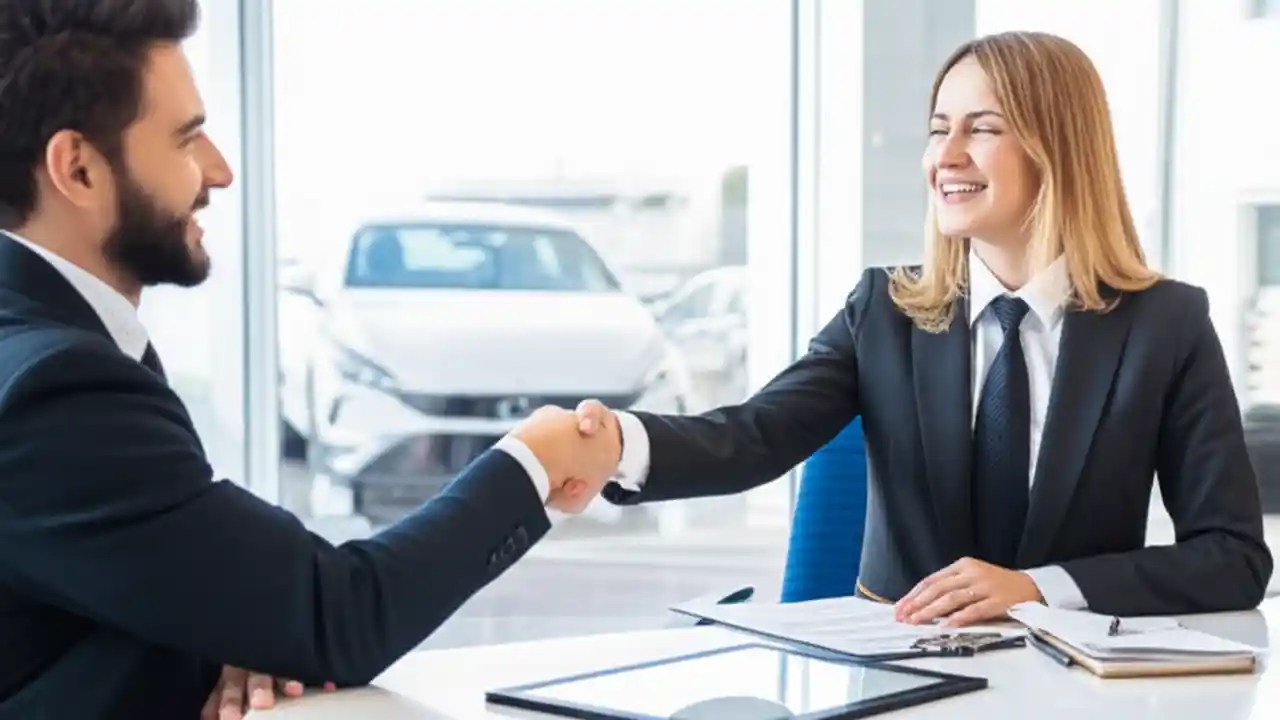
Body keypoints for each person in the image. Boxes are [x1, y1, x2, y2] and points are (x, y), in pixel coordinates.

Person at [0, 2, 618, 718]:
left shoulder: (44, 341)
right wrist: (534, 462)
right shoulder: (54, 390)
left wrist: (245, 621)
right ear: (77, 169)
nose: (219, 171)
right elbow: (338, 612)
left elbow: (122, 576)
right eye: (186, 139)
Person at [575, 31, 1273, 625]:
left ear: (1058, 148)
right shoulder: (884, 309)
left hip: (1074, 685)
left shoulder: (1165, 325)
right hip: (902, 672)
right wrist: (613, 445)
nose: (947, 155)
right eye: (940, 129)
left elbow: (1232, 557)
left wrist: (1040, 588)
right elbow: (752, 438)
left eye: (983, 128)